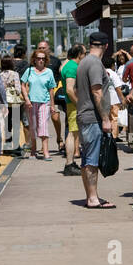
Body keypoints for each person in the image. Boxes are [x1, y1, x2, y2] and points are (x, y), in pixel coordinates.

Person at [75, 32, 117, 208]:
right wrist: (105, 119)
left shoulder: (83, 62)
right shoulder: (94, 64)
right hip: (92, 118)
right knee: (92, 158)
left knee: (87, 158)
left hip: (85, 115)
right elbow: (97, 91)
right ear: (106, 46)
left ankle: (91, 196)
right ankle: (93, 198)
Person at [21, 50, 58, 160]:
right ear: (34, 59)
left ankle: (46, 152)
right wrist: (26, 99)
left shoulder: (49, 72)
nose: (40, 60)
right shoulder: (29, 71)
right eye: (38, 58)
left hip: (44, 103)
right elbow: (22, 85)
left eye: (43, 58)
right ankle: (33, 150)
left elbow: (51, 90)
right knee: (33, 127)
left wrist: (52, 105)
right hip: (31, 103)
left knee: (43, 126)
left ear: (45, 60)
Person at [60, 44, 84, 176]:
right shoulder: (72, 68)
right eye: (84, 53)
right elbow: (69, 89)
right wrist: (79, 103)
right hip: (74, 104)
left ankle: (71, 162)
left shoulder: (68, 65)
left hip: (73, 104)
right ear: (79, 54)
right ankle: (69, 163)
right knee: (72, 134)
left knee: (74, 133)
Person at [0, 56, 25, 154]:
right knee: (16, 124)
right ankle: (15, 146)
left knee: (7, 125)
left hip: (4, 102)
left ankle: (7, 145)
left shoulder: (0, 75)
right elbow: (18, 89)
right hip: (14, 102)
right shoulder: (15, 74)